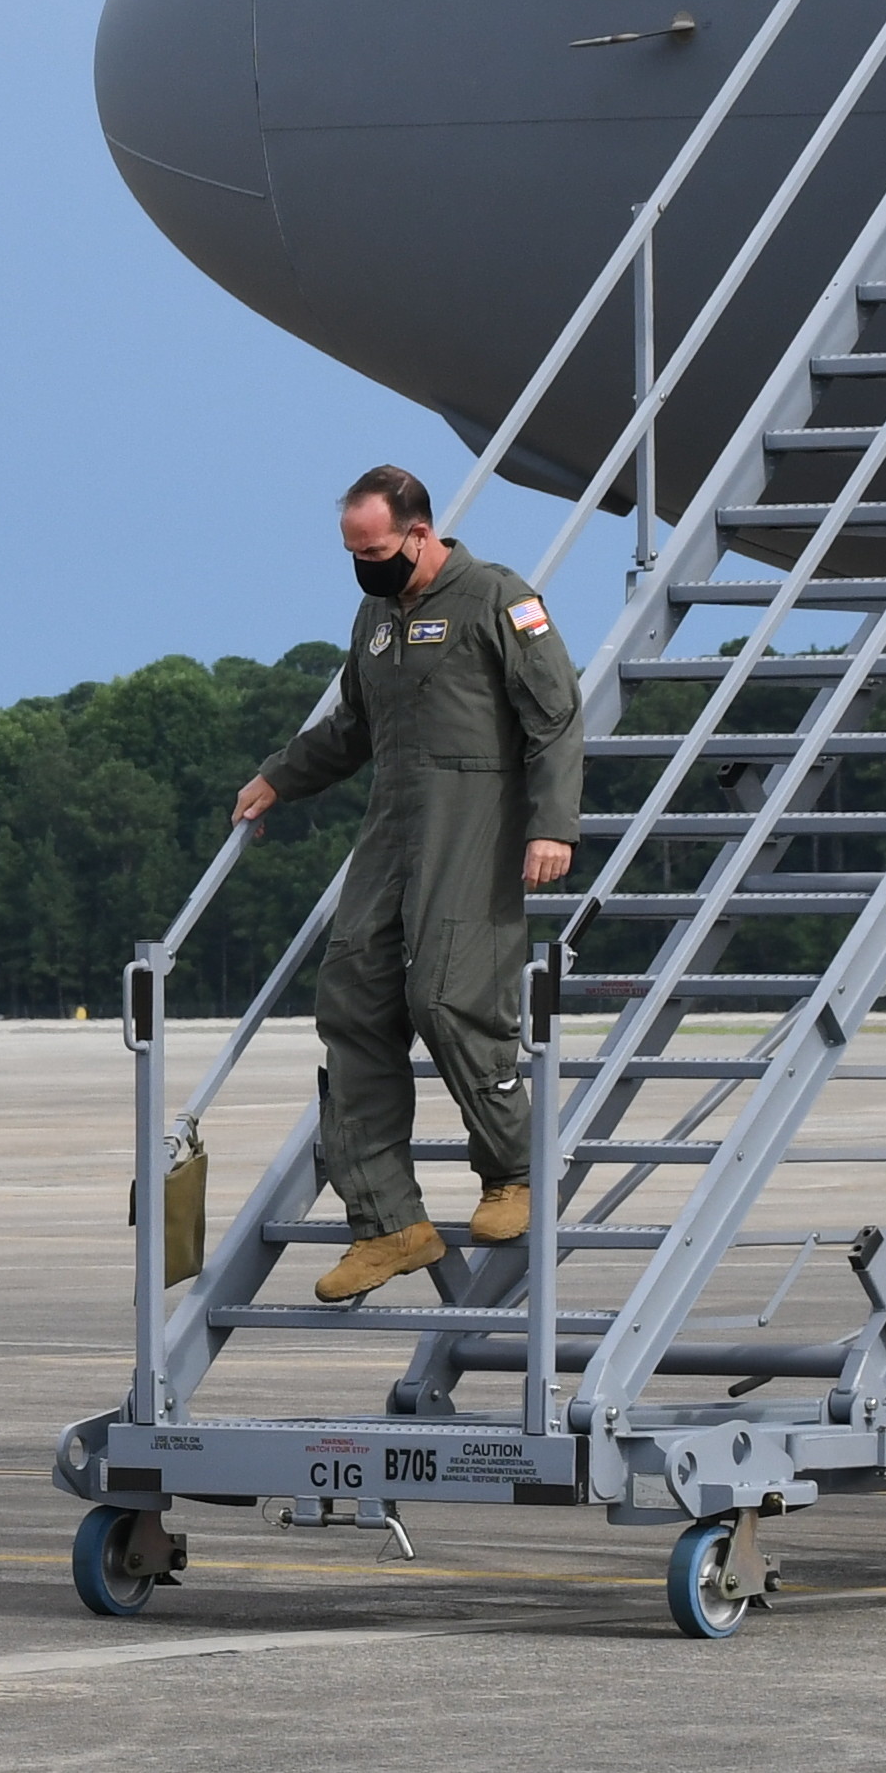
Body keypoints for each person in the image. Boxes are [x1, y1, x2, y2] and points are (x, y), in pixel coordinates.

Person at [230, 464, 586, 1301]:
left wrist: (552, 825)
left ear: (421, 534)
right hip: (393, 823)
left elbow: (556, 716)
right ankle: (389, 1222)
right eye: (353, 551)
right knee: (351, 999)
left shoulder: (499, 600)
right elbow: (354, 725)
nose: (364, 563)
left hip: (478, 821)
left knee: (446, 998)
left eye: (377, 548)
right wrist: (281, 774)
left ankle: (516, 1173)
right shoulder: (375, 617)